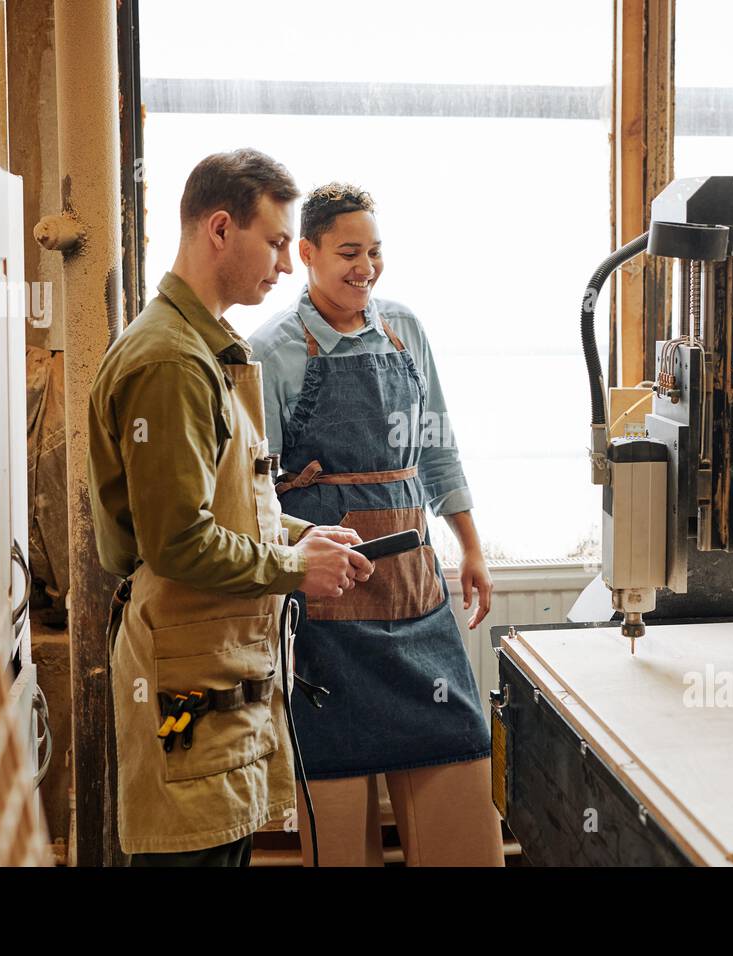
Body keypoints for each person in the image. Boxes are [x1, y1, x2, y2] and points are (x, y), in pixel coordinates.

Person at [88, 151, 374, 866]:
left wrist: (304, 535)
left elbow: (229, 503)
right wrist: (291, 567)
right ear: (220, 228)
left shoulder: (209, 350)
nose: (285, 264)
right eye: (276, 242)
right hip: (188, 672)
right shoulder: (172, 364)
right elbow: (178, 542)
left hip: (215, 667)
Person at [249, 183, 503, 866]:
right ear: (306, 253)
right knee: (336, 815)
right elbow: (254, 499)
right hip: (328, 612)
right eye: (349, 253)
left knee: (459, 763)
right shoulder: (268, 351)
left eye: (376, 252)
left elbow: (438, 446)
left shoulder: (405, 327)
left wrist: (470, 546)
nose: (366, 268)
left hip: (418, 598)